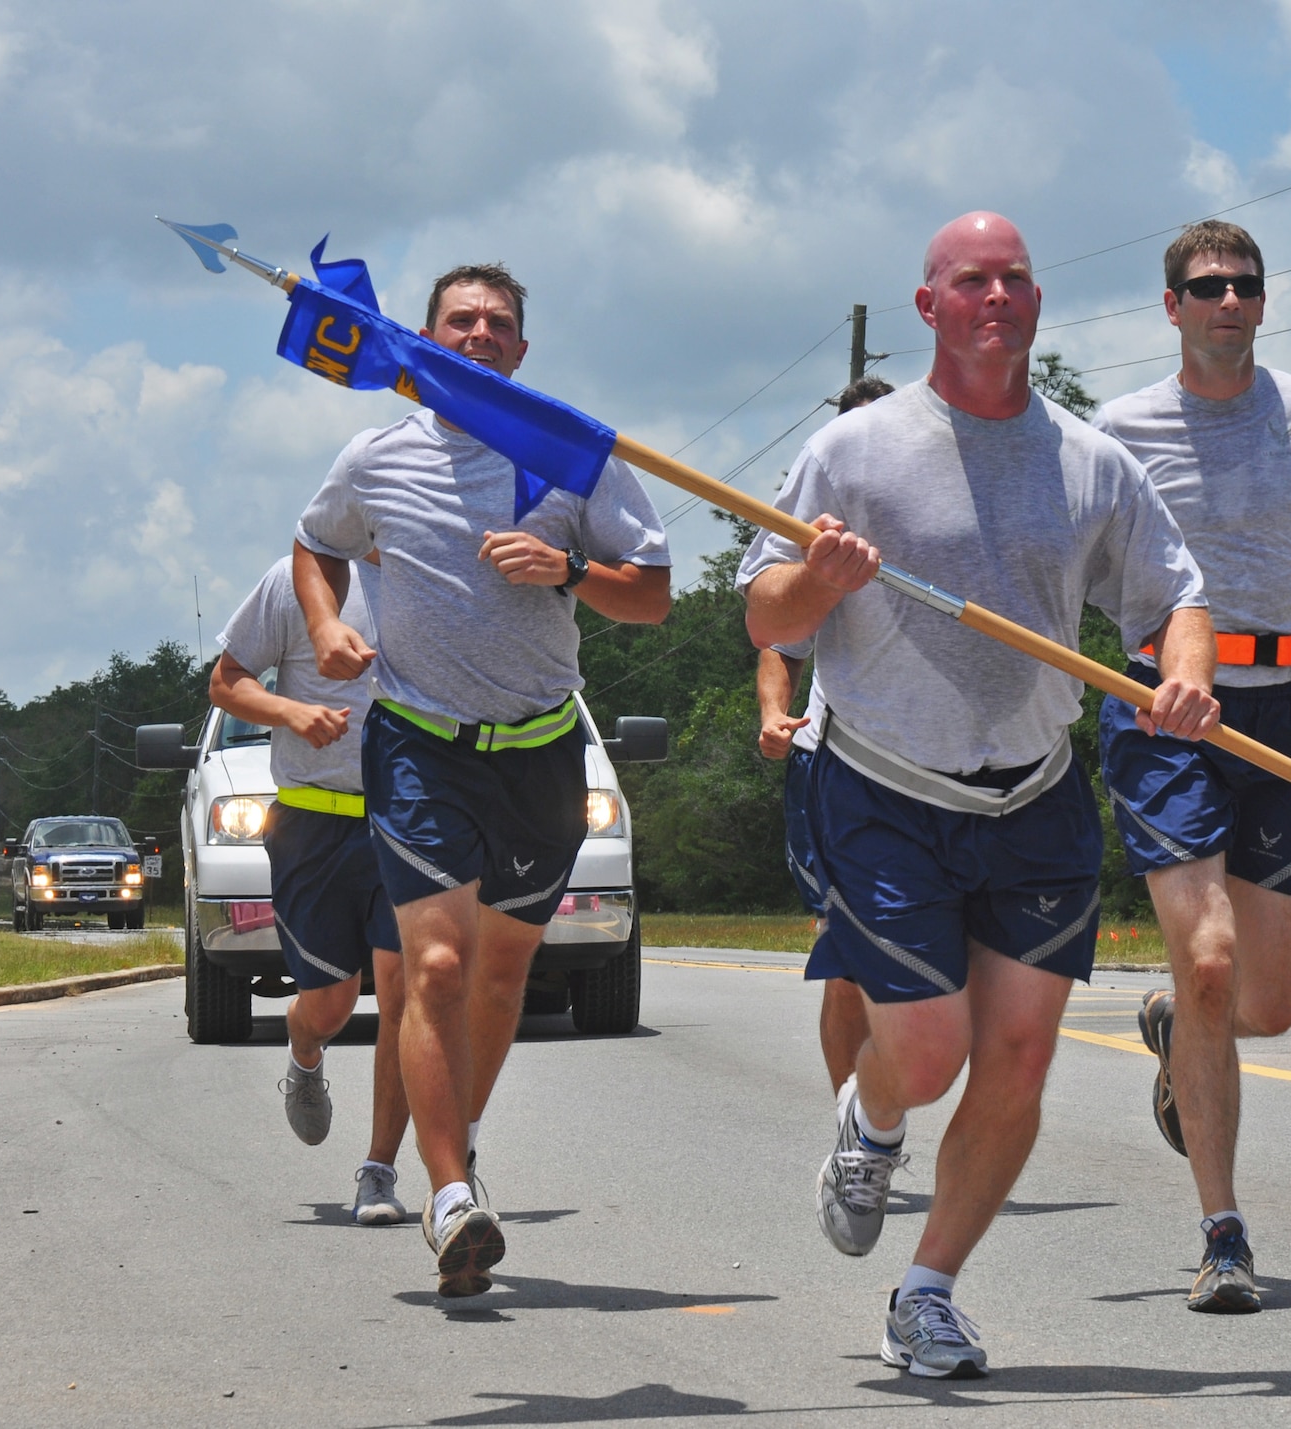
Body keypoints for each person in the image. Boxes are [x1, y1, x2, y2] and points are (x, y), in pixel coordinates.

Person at [738, 213, 1219, 1379]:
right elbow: (768, 616)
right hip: (882, 791)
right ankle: (873, 1122)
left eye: (1012, 279)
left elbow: (1174, 596)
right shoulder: (855, 452)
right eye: (970, 280)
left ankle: (926, 1291)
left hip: (1037, 794)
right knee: (932, 1048)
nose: (994, 296)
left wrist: (1186, 670)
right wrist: (820, 576)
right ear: (927, 306)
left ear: (1037, 301)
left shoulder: (1089, 459)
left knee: (1015, 1062)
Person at [291, 263, 672, 1296]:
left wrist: (573, 573)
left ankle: (459, 1146)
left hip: (541, 747)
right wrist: (327, 626)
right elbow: (315, 546)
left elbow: (653, 597)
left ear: (520, 349)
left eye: (499, 323)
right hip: (419, 742)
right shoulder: (377, 457)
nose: (480, 334)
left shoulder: (570, 452)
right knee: (438, 970)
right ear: (424, 338)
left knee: (503, 977)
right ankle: (451, 1192)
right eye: (461, 319)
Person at [1091, 219, 1291, 1314]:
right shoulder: (1117, 428)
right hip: (1162, 710)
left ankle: (1176, 1030)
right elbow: (1070, 558)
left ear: (1262, 303)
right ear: (1169, 304)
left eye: (1245, 286)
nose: (1228, 300)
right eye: (1206, 286)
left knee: (1263, 1005)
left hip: (1285, 711)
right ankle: (1221, 1232)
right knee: (1211, 961)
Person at [209, 553, 413, 1225]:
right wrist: (293, 712)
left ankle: (379, 1170)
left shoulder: (436, 577)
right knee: (329, 1002)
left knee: (406, 993)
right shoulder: (298, 583)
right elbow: (226, 682)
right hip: (314, 824)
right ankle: (304, 1052)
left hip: (408, 818)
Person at [755, 375, 895, 1092]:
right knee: (849, 957)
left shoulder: (935, 511)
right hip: (836, 764)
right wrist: (774, 715)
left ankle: (880, 1100)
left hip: (943, 770)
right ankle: (854, 1128)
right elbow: (778, 640)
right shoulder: (819, 531)